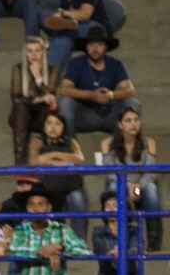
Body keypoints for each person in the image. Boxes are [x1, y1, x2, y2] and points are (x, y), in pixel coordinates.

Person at [57, 24, 139, 138]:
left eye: (99, 44)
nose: (95, 48)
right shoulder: (76, 63)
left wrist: (111, 95)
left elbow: (130, 90)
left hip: (110, 112)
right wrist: (91, 94)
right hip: (84, 114)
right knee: (65, 102)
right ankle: (70, 145)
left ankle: (129, 146)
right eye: (91, 44)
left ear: (105, 47)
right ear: (86, 46)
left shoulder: (115, 64)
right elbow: (64, 89)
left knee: (132, 103)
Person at [100, 106, 161, 251]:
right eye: (128, 120)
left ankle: (154, 241)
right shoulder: (107, 143)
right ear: (120, 125)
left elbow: (150, 171)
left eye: (136, 120)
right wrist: (127, 185)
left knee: (151, 189)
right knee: (112, 188)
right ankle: (112, 238)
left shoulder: (149, 143)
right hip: (121, 185)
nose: (133, 124)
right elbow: (110, 172)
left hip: (140, 188)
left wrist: (137, 187)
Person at [29, 110, 87, 240]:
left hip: (70, 186)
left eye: (57, 123)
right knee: (48, 203)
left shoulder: (71, 142)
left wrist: (52, 155)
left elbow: (79, 159)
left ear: (63, 126)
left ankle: (79, 242)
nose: (53, 127)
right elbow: (35, 161)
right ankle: (55, 240)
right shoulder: (37, 142)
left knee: (78, 201)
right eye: (49, 123)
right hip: (48, 186)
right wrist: (62, 163)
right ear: (44, 126)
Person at [9, 36, 57, 165]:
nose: (34, 55)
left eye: (37, 50)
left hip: (43, 113)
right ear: (25, 53)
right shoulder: (18, 69)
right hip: (22, 115)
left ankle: (48, 161)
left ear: (43, 53)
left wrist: (38, 77)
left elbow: (51, 98)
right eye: (30, 51)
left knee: (49, 110)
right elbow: (16, 99)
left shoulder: (52, 70)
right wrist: (39, 99)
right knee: (21, 108)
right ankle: (20, 167)